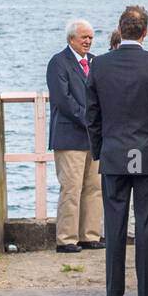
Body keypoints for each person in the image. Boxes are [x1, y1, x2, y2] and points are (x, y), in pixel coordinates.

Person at [86, 5, 148, 296]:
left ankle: (114, 293)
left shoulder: (98, 65)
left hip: (114, 153)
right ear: (145, 32)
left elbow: (93, 115)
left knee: (114, 225)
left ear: (119, 28)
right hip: (147, 153)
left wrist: (99, 149)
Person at [46, 19, 103, 254]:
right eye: (83, 37)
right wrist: (89, 119)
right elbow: (63, 99)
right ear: (71, 39)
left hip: (93, 138)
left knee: (94, 187)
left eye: (90, 37)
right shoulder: (59, 62)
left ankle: (90, 235)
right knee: (71, 188)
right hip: (70, 136)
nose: (88, 41)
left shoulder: (96, 62)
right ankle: (66, 239)